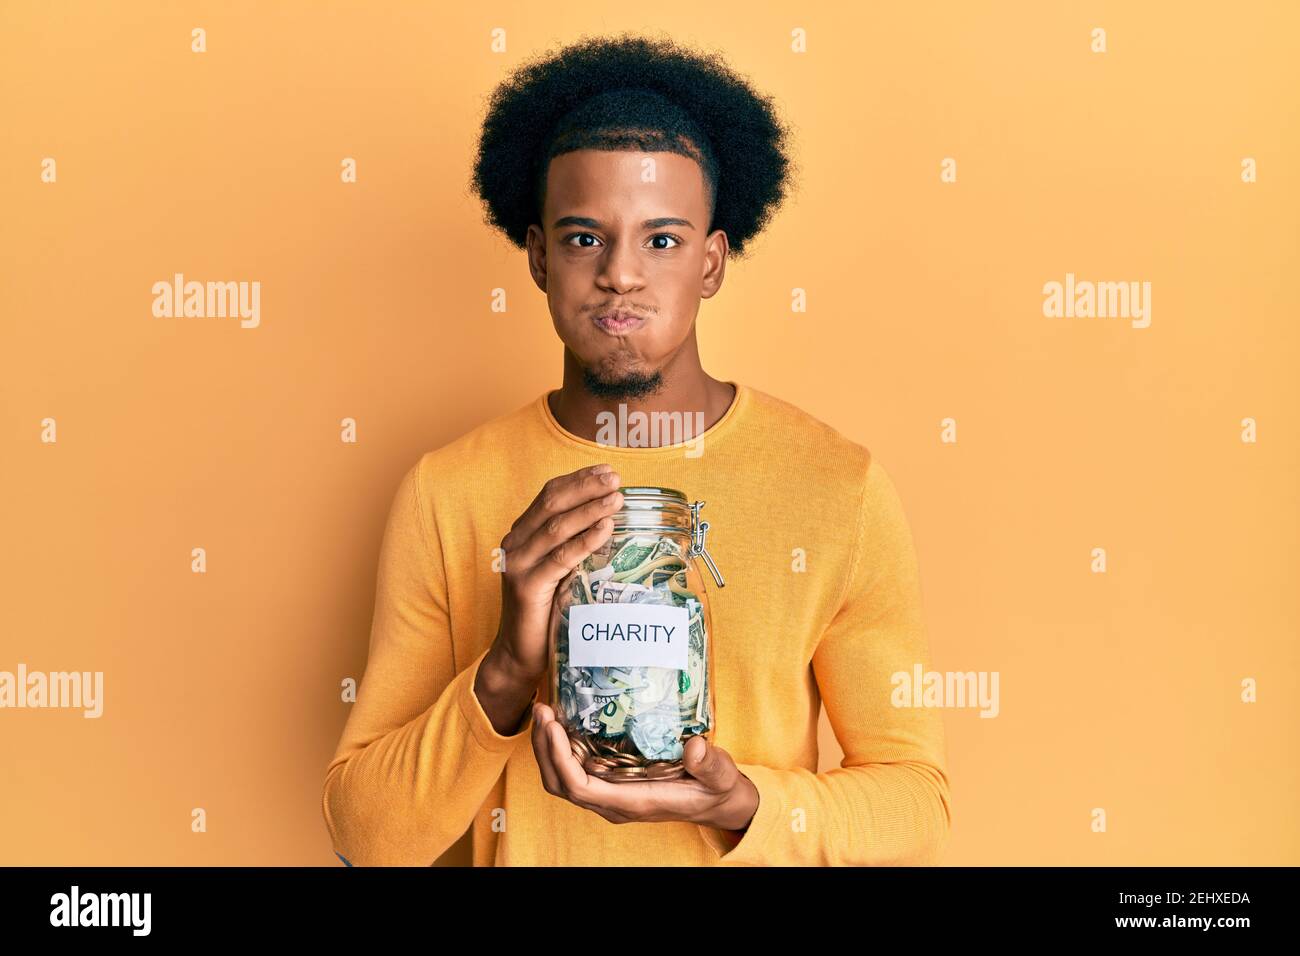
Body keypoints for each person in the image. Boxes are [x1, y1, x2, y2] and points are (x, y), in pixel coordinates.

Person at [321, 32, 951, 866]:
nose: (622, 274)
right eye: (585, 238)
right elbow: (366, 837)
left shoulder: (839, 487)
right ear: (540, 256)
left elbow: (919, 809)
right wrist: (508, 666)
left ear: (712, 262)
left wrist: (745, 806)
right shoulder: (448, 492)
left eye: (662, 240)